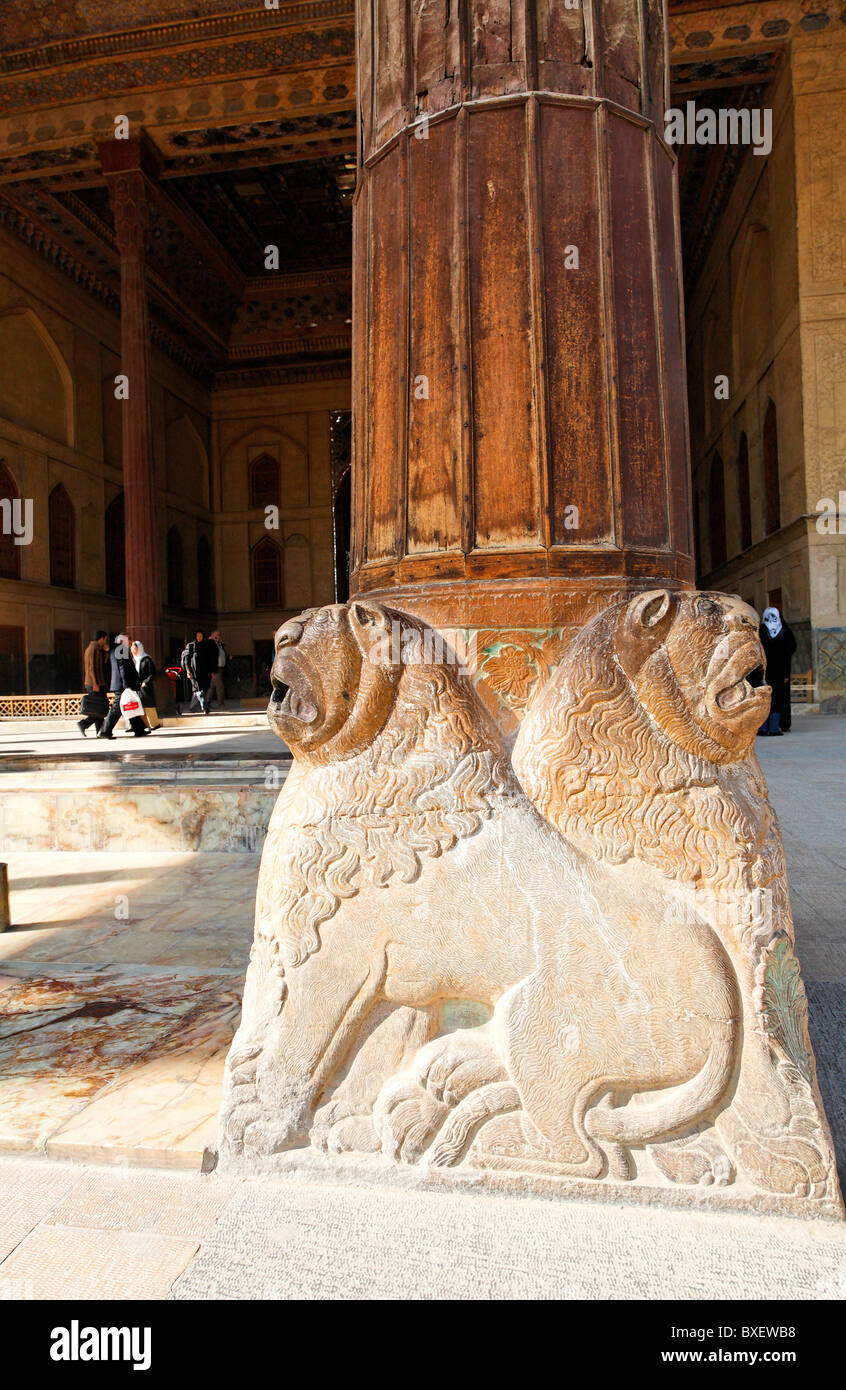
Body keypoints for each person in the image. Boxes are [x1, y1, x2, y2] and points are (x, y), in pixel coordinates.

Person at [758, 606, 796, 737]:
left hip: (762, 672)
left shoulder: (760, 631)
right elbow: (791, 648)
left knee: (762, 698)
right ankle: (775, 727)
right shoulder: (784, 632)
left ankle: (763, 728)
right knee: (778, 699)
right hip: (780, 673)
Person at [98, 632, 146, 738]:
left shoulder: (115, 650)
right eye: (129, 639)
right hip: (122, 684)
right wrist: (126, 685)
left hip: (120, 683)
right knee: (117, 708)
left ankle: (139, 729)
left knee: (130, 704)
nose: (131, 641)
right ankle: (105, 731)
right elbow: (122, 667)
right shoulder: (122, 649)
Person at [78, 629, 109, 737]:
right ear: (101, 638)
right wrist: (95, 684)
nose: (105, 641)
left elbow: (103, 663)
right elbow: (91, 668)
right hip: (95, 683)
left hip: (98, 682)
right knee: (99, 709)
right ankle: (84, 724)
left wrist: (106, 652)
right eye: (105, 639)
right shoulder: (92, 649)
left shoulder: (98, 649)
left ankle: (99, 731)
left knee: (99, 708)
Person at [131, 640, 160, 731]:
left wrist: (146, 682)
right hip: (136, 686)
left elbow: (152, 673)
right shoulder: (134, 660)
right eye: (132, 649)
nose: (133, 651)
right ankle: (140, 725)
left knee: (148, 705)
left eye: (134, 649)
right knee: (137, 706)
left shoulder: (147, 659)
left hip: (145, 687)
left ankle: (154, 724)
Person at [182, 630, 213, 713]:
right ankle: (204, 706)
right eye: (198, 636)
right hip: (194, 672)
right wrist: (188, 670)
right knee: (198, 688)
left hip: (204, 672)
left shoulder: (205, 645)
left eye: (201, 636)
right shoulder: (191, 646)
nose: (199, 637)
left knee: (200, 690)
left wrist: (211, 671)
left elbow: (209, 659)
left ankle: (192, 707)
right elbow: (187, 659)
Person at [205, 630, 228, 709]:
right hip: (215, 669)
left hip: (220, 668)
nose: (217, 637)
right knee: (220, 686)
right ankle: (221, 703)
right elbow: (209, 657)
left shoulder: (219, 645)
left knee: (212, 687)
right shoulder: (210, 644)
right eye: (216, 636)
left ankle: (206, 703)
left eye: (218, 635)